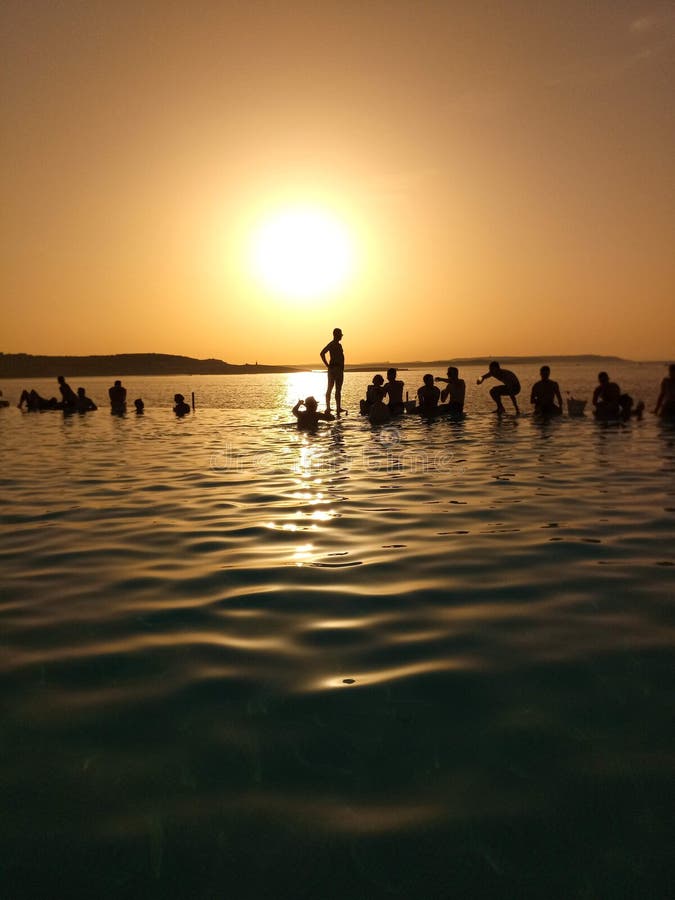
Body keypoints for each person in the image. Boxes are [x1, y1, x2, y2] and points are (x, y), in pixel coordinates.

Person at [320, 327, 345, 415]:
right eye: (340, 335)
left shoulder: (339, 345)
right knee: (330, 388)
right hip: (334, 369)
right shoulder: (331, 344)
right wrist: (327, 365)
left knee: (338, 389)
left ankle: (338, 408)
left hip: (339, 369)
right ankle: (328, 408)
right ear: (336, 335)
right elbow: (322, 353)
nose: (341, 337)